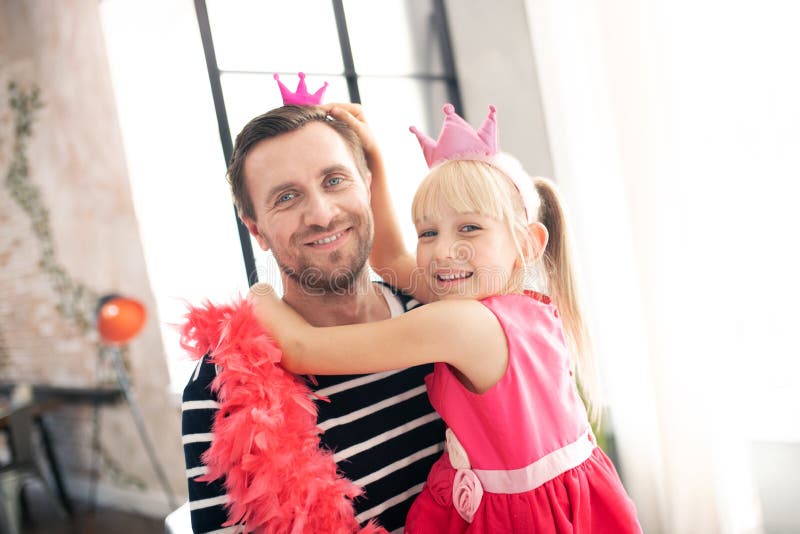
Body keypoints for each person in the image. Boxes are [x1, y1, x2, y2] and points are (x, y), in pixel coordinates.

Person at [249, 103, 642, 532]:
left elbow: (304, 349)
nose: (443, 251)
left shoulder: (462, 325)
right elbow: (391, 258)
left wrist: (260, 296)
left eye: (469, 228)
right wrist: (374, 160)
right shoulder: (521, 304)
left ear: (528, 243)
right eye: (428, 233)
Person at [181, 84, 445, 532]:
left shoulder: (439, 314)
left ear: (367, 187)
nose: (321, 214)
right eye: (286, 197)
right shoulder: (219, 392)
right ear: (256, 231)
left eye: (334, 180)